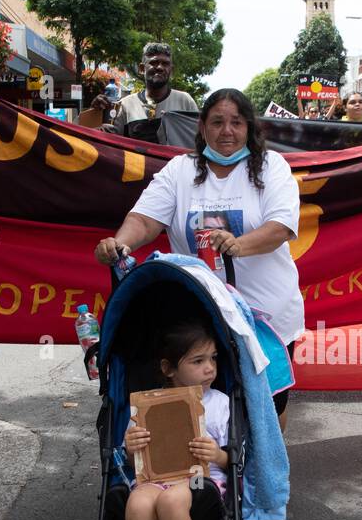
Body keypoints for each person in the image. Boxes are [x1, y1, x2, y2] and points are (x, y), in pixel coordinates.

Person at [94, 88, 304, 425]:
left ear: (249, 128)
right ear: (202, 126)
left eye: (236, 122)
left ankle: (264, 474)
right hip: (200, 316)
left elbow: (281, 226)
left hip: (266, 316)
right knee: (206, 407)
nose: (227, 131)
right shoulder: (181, 170)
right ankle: (214, 476)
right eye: (217, 122)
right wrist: (120, 244)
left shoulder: (270, 167)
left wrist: (239, 244)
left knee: (267, 410)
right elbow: (145, 219)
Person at [115, 319, 230, 520]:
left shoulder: (220, 405)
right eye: (198, 361)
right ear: (169, 369)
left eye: (213, 359)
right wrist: (130, 446)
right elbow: (132, 453)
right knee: (137, 503)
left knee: (171, 499)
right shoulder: (147, 406)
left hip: (201, 481)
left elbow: (234, 456)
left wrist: (217, 454)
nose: (209, 368)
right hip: (157, 476)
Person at [96, 43, 198, 133]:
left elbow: (198, 138)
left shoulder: (185, 101)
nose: (160, 67)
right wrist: (96, 114)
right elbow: (113, 141)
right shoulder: (126, 105)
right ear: (141, 68)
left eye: (165, 63)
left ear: (171, 70)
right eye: (154, 63)